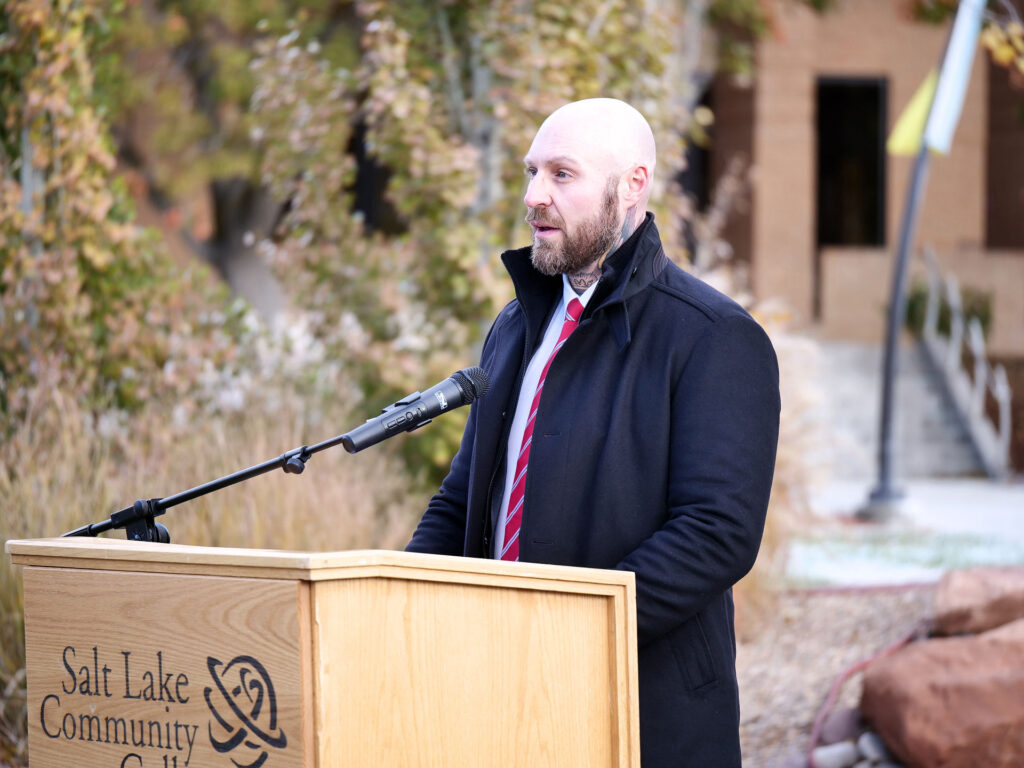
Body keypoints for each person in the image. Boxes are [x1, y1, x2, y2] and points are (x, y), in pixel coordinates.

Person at [406, 98, 780, 768]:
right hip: (495, 696)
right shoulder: (514, 326)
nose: (533, 197)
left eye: (561, 175)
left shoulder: (714, 337)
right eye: (531, 173)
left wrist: (566, 634)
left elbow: (716, 533)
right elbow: (465, 501)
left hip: (643, 715)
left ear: (632, 185)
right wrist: (395, 606)